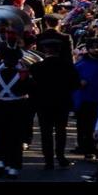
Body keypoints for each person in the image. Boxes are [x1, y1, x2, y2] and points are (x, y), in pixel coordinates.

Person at [0, 44, 33, 179]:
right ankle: (14, 167)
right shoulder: (24, 75)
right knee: (16, 138)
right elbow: (30, 93)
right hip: (18, 109)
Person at [28, 40, 77, 170]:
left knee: (46, 132)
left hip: (43, 103)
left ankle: (48, 160)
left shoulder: (36, 67)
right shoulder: (68, 66)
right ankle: (61, 157)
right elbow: (75, 84)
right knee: (61, 130)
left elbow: (31, 86)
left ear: (45, 51)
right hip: (62, 102)